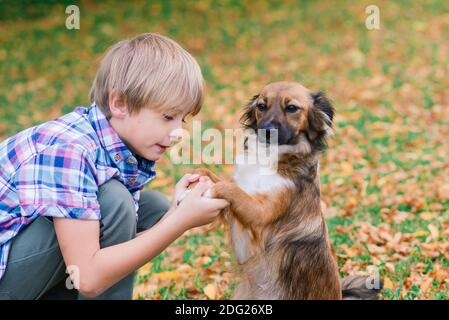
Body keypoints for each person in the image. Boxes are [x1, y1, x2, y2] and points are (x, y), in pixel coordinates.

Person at [0, 33, 228, 300]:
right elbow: (87, 278)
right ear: (119, 104)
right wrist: (179, 222)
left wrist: (176, 214)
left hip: (24, 270)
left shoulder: (109, 144)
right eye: (167, 117)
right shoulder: (71, 150)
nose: (178, 133)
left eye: (182, 120)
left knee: (152, 208)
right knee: (115, 201)